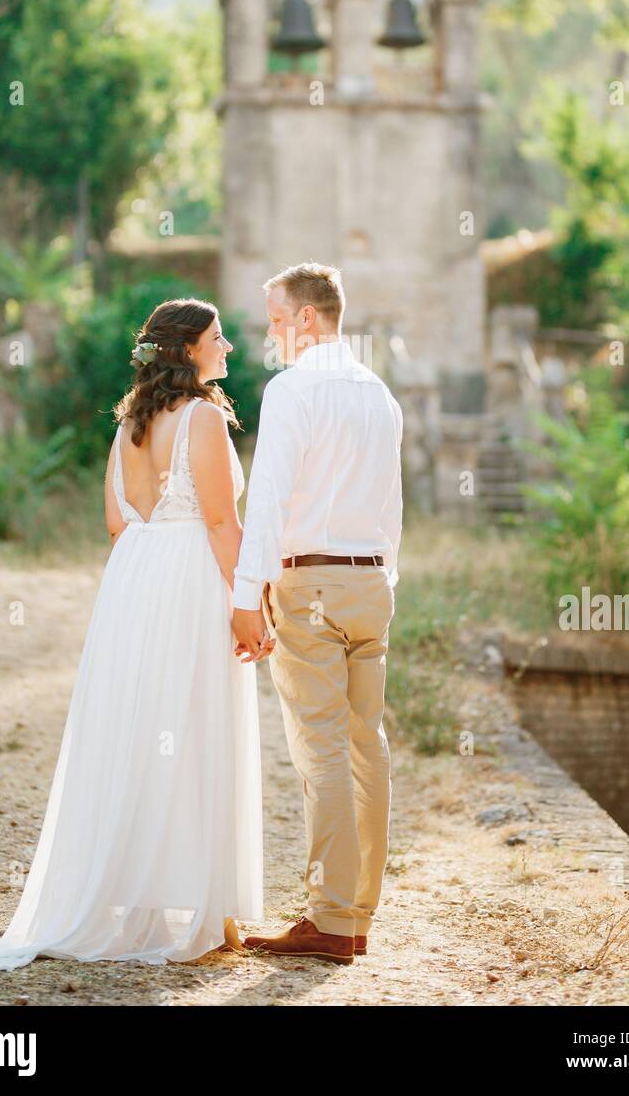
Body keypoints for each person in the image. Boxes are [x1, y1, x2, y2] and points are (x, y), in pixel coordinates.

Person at [0, 298, 264, 975]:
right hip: (187, 579)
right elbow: (220, 523)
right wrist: (249, 605)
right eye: (218, 338)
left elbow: (118, 523)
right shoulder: (205, 419)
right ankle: (205, 912)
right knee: (194, 727)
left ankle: (149, 901)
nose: (229, 346)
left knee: (142, 731)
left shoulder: (131, 423)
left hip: (134, 580)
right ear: (186, 350)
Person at [231, 261, 403, 966]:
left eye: (276, 316)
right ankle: (356, 914)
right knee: (368, 744)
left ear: (307, 317)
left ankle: (330, 919)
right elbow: (392, 500)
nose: (270, 330)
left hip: (313, 586)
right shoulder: (379, 392)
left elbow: (267, 500)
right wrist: (387, 576)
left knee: (322, 748)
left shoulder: (292, 388)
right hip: (372, 584)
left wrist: (248, 596)